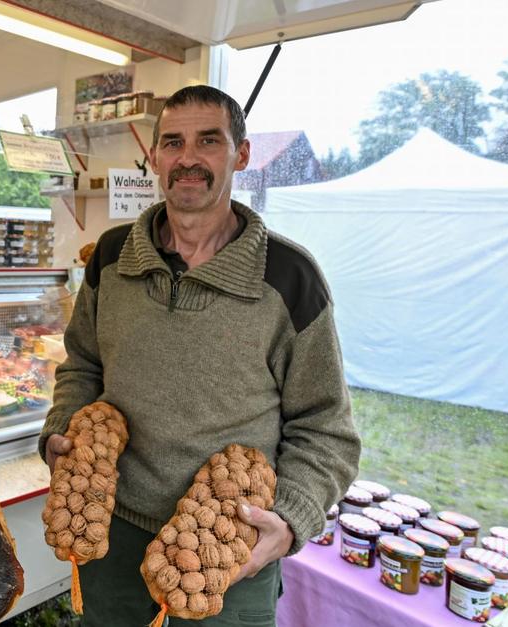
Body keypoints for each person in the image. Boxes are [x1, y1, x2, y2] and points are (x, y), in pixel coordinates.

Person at [39, 85, 361, 625]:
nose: (187, 158)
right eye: (173, 142)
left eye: (208, 141)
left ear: (242, 154)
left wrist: (289, 520)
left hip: (228, 552)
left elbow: (326, 429)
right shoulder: (112, 257)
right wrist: (63, 429)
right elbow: (83, 365)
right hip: (112, 534)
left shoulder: (290, 278)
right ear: (155, 156)